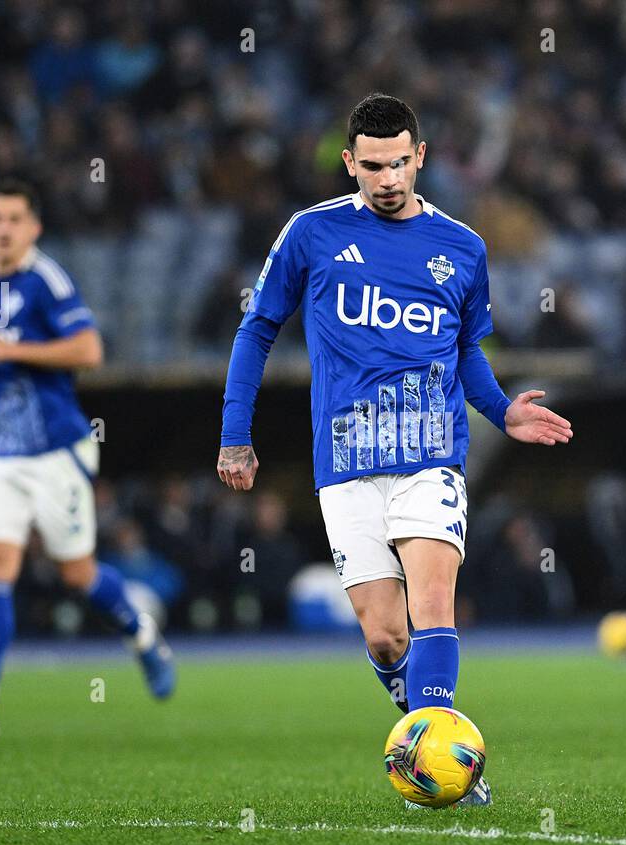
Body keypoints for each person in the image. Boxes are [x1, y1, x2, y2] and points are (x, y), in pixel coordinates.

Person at [216, 94, 572, 806]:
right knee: (384, 638)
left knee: (433, 603)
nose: (386, 178)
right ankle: (424, 736)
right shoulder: (310, 233)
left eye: (398, 163)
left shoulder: (462, 247)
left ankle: (444, 763)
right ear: (350, 162)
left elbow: (466, 349)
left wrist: (502, 410)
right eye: (371, 165)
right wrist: (235, 433)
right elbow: (257, 330)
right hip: (344, 461)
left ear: (420, 159)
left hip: (431, 453)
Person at [0, 179, 174, 740]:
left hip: (52, 451)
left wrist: (8, 352)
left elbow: (89, 350)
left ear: (34, 227)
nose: (3, 229)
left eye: (14, 219)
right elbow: (1, 357)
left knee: (76, 572)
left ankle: (141, 633)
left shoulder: (47, 279)